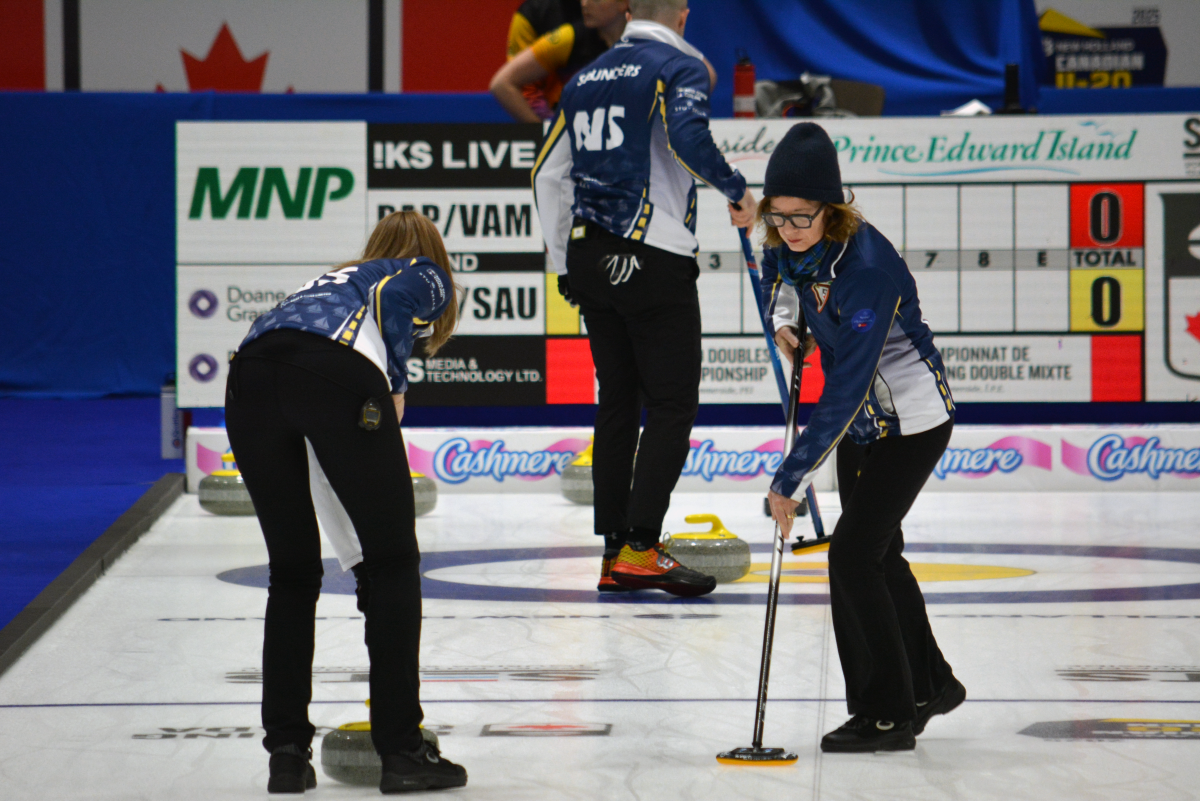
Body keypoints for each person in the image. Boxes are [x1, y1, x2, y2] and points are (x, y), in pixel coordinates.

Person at [224, 211, 468, 793]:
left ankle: (286, 755)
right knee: (396, 566)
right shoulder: (421, 270)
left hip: (248, 380)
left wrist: (359, 559)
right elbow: (393, 301)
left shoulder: (330, 280)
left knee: (292, 571)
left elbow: (320, 465)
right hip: (334, 374)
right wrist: (397, 385)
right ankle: (403, 752)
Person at [533, 0, 756, 597]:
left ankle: (615, 552)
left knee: (617, 401)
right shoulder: (679, 65)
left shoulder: (581, 79)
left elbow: (546, 177)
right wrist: (736, 189)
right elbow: (687, 137)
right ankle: (640, 546)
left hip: (587, 256)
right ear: (682, 15)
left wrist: (562, 261)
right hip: (651, 252)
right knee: (672, 403)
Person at [758, 123, 966, 752]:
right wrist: (786, 316)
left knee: (852, 555)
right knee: (877, 556)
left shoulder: (867, 269)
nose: (789, 230)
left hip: (909, 424)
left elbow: (845, 389)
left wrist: (789, 477)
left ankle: (887, 714)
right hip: (865, 427)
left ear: (835, 206)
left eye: (803, 217)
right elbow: (783, 274)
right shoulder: (790, 241)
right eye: (778, 217)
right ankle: (929, 682)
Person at [492, 0, 628, 122]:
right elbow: (502, 83)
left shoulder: (645, 43)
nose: (584, 3)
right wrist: (547, 133)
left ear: (625, 3)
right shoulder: (568, 37)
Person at [505, 0, 584, 120]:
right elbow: (521, 87)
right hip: (553, 118)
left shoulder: (609, 19)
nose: (586, 4)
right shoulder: (531, 14)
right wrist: (549, 128)